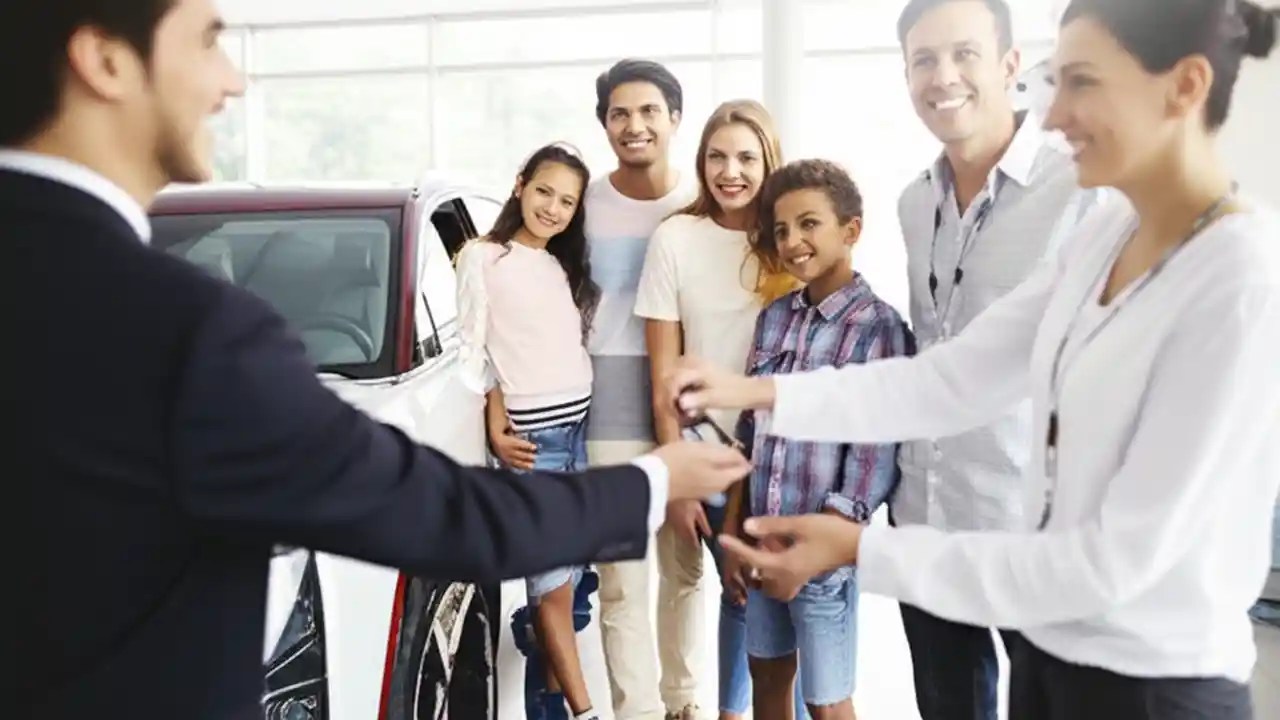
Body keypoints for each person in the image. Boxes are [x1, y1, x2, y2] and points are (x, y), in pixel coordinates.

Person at [6, 2, 750, 717]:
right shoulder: (187, 329)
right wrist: (653, 481)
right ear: (104, 60)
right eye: (206, 40)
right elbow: (436, 511)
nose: (233, 79)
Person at [675, 1, 1280, 718]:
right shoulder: (1109, 235)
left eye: (1082, 83)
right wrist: (758, 395)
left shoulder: (1238, 279)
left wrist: (862, 549)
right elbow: (950, 377)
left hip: (1155, 687)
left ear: (1183, 87)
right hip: (1056, 665)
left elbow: (1111, 562)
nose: (1053, 117)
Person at [888, 1, 1102, 716]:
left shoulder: (1083, 191)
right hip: (926, 516)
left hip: (1030, 526)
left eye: (964, 54)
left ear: (1011, 65)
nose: (942, 77)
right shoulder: (913, 204)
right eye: (924, 60)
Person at [725, 159, 913, 720]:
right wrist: (735, 529)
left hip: (823, 556)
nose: (793, 241)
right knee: (767, 675)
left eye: (809, 224)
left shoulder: (878, 328)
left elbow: (874, 456)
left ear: (850, 230)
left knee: (826, 701)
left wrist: (815, 549)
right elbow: (749, 432)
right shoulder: (775, 318)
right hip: (759, 539)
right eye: (781, 230)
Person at [634, 99, 804, 720]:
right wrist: (676, 479)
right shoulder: (675, 238)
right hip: (708, 456)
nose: (729, 171)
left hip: (786, 455)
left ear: (769, 162)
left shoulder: (789, 240)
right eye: (716, 157)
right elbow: (662, 374)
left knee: (787, 604)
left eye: (745, 157)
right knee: (740, 597)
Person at [456, 142, 604, 720]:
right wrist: (494, 413)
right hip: (533, 441)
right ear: (519, 184)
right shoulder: (483, 257)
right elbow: (473, 348)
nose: (553, 208)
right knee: (554, 592)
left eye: (567, 201)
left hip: (581, 432)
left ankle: (542, 674)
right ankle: (585, 712)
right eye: (544, 191)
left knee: (573, 584)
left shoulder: (563, 266)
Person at [586, 58, 699, 720]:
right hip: (606, 404)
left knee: (684, 568)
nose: (635, 126)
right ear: (604, 125)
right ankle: (635, 712)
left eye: (649, 111)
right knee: (621, 581)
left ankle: (683, 702)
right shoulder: (584, 202)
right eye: (620, 114)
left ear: (674, 120)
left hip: (683, 406)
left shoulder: (699, 202)